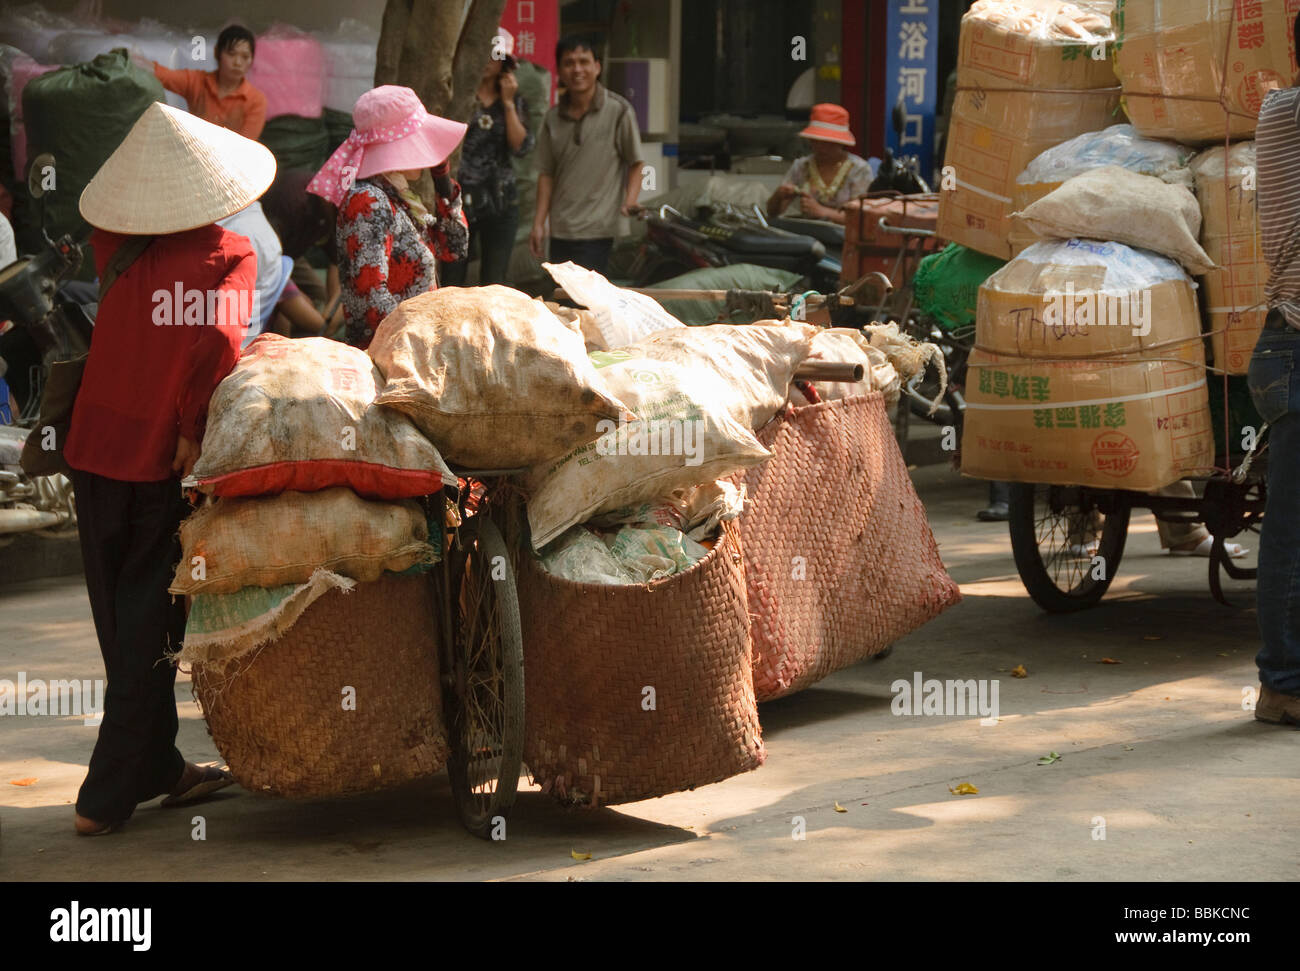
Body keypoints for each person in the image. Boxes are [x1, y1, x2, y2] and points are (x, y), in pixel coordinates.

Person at [66, 102, 273, 834]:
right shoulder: (231, 254)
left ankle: (159, 766)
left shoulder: (110, 241)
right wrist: (191, 428)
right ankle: (104, 798)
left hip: (92, 453)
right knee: (150, 627)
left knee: (119, 624)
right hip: (158, 457)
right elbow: (220, 339)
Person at [309, 85, 468, 349]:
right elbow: (371, 302)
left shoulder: (399, 196)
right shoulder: (367, 202)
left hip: (414, 350)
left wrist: (443, 180)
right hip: (391, 359)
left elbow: (454, 249)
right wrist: (425, 345)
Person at [1246, 13, 1300, 728]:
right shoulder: (1288, 115)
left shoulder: (1275, 108)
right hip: (1295, 343)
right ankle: (1282, 681)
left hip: (1279, 345)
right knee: (1290, 530)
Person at [530, 35, 643, 274]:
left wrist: (630, 200)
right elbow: (546, 175)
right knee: (562, 302)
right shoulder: (552, 118)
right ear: (559, 70)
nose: (577, 69)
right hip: (561, 229)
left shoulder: (618, 111)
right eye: (569, 63)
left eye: (584, 61)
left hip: (599, 229)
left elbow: (636, 162)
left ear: (597, 67)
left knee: (588, 305)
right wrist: (539, 224)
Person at [443, 27, 535, 287]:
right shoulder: (457, 95)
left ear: (504, 62)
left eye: (493, 55)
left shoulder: (515, 100)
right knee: (453, 278)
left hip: (500, 198)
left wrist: (507, 103)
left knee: (495, 279)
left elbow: (521, 147)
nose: (485, 60)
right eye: (480, 53)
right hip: (458, 198)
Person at [259, 167, 342, 338]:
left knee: (319, 299)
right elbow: (272, 269)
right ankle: (283, 347)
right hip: (269, 260)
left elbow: (335, 261)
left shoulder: (336, 209)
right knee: (296, 314)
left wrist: (331, 310)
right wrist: (322, 327)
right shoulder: (293, 201)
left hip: (291, 255)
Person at [151, 23, 267, 139]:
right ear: (217, 53)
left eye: (245, 57)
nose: (238, 63)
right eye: (231, 54)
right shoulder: (197, 81)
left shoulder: (256, 101)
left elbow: (246, 146)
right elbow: (161, 74)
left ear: (252, 60)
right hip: (194, 151)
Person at [767, 103, 875, 225]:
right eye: (815, 141)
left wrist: (823, 212)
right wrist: (779, 195)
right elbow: (773, 213)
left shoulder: (859, 169)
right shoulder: (802, 166)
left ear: (840, 142)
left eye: (828, 142)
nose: (821, 147)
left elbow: (862, 219)